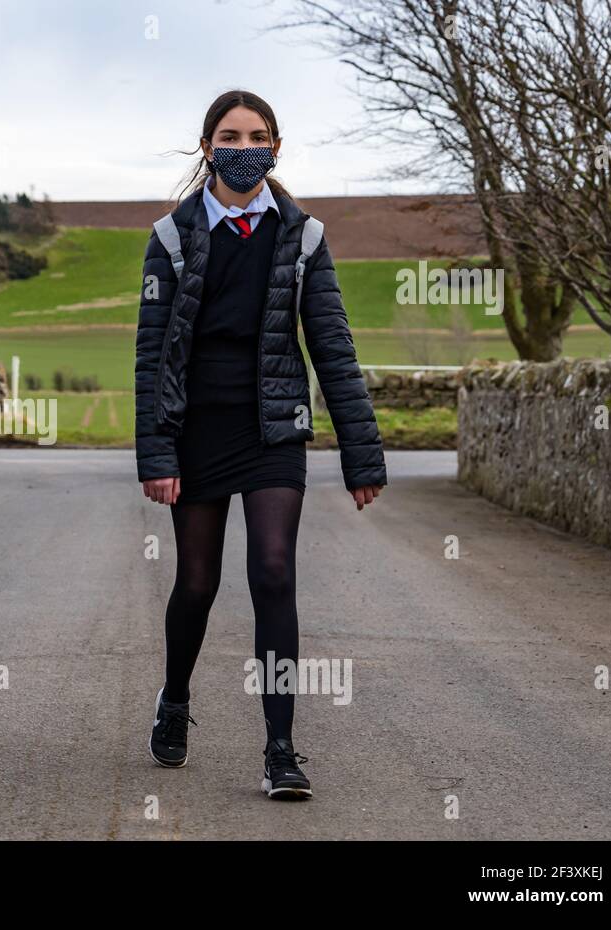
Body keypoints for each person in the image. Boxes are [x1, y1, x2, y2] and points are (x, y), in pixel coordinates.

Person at [135, 90, 387, 799]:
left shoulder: (301, 237)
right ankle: (175, 697)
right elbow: (151, 354)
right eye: (229, 134)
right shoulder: (172, 237)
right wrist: (156, 454)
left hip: (274, 429)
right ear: (208, 145)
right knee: (197, 582)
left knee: (273, 572)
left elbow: (333, 346)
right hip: (195, 432)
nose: (243, 146)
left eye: (257, 135)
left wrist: (361, 454)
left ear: (276, 146)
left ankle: (280, 749)